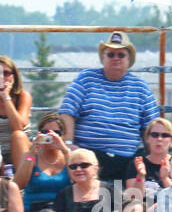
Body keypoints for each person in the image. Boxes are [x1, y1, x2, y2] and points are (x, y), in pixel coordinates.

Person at [58, 31, 160, 182]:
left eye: (121, 55)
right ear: (103, 58)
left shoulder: (141, 88)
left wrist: (152, 155)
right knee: (93, 197)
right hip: (89, 156)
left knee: (125, 198)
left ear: (129, 59)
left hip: (126, 159)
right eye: (111, 54)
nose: (116, 58)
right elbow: (67, 112)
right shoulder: (86, 79)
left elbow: (152, 126)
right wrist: (68, 144)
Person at [52, 147, 116, 212]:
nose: (78, 169)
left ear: (95, 168)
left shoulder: (113, 191)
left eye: (84, 165)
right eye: (73, 166)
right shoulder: (63, 195)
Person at [15, 111, 70, 212]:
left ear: (63, 135)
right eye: (45, 132)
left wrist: (64, 150)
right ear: (39, 134)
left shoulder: (69, 155)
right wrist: (31, 154)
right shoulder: (30, 156)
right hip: (33, 211)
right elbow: (19, 185)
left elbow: (77, 177)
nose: (50, 136)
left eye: (56, 133)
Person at [125, 116, 172, 202]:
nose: (159, 139)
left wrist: (165, 179)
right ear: (147, 138)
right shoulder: (137, 164)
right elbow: (133, 200)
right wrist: (140, 176)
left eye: (165, 135)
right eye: (154, 135)